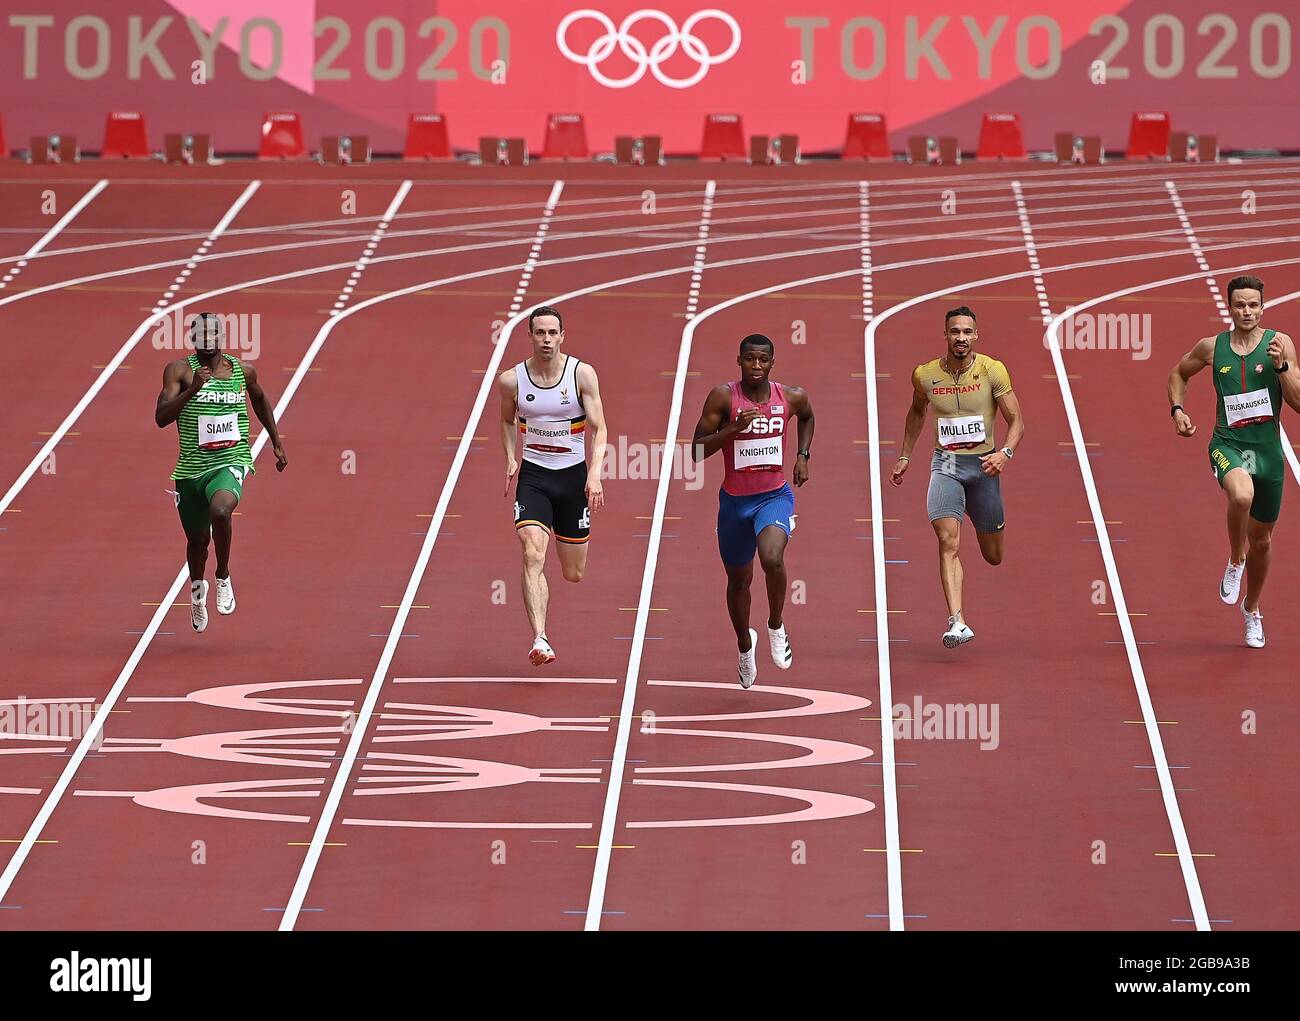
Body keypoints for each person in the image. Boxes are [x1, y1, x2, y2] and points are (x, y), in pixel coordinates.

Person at [1168, 275, 1300, 648]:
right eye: (1240, 305)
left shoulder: (1280, 344)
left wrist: (1282, 368)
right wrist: (1177, 409)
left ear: (1262, 306)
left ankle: (1252, 609)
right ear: (1230, 307)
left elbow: (1299, 402)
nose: (1247, 311)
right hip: (1227, 444)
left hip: (1268, 453)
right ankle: (1234, 558)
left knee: (1263, 540)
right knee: (1241, 496)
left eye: (1253, 305)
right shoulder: (1212, 348)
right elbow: (1179, 373)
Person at [890, 306, 1023, 648]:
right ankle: (957, 621)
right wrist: (905, 454)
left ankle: (983, 522)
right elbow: (917, 411)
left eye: (967, 332)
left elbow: (1017, 421)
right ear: (945, 335)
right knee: (948, 542)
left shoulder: (992, 370)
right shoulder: (925, 375)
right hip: (946, 464)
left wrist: (1004, 454)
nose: (961, 338)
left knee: (993, 555)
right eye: (955, 332)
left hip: (983, 467)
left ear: (975, 335)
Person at [691, 334, 814, 688]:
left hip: (773, 497)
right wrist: (733, 429)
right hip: (733, 504)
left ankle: (776, 623)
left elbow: (807, 416)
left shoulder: (790, 396)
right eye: (749, 359)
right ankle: (745, 645)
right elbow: (697, 452)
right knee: (739, 581)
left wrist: (802, 456)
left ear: (772, 363)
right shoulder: (723, 397)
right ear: (739, 361)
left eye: (762, 360)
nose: (756, 366)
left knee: (772, 558)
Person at [155, 312, 287, 632]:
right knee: (198, 542)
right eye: (201, 334)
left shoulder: (242, 371)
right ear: (193, 339)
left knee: (222, 510)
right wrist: (192, 390)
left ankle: (223, 575)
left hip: (230, 460)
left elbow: (260, 399)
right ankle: (198, 594)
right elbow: (161, 417)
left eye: (213, 333)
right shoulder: (180, 371)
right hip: (190, 468)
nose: (208, 339)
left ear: (221, 338)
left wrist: (275, 440)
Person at [498, 305, 608, 665]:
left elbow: (600, 428)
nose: (546, 340)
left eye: (552, 333)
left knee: (573, 573)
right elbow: (507, 420)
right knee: (532, 552)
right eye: (540, 333)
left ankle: (542, 631)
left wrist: (594, 474)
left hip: (573, 478)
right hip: (535, 478)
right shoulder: (512, 380)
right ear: (529, 336)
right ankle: (540, 638)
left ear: (562, 336)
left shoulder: (582, 375)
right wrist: (511, 457)